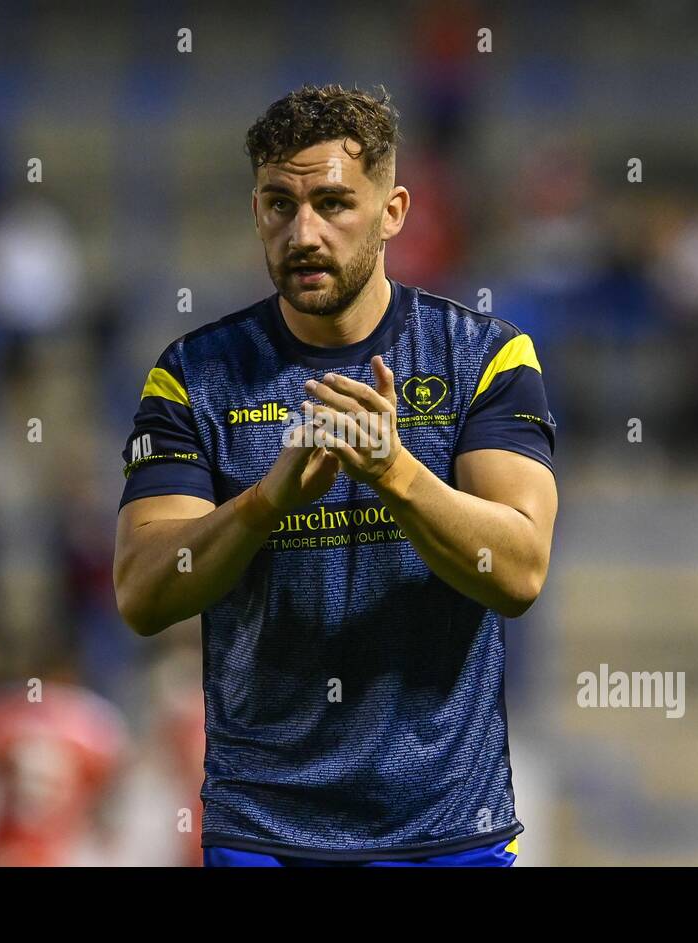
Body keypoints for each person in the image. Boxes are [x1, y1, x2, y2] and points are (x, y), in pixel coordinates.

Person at [113, 84, 558, 867]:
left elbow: (518, 571)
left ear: (393, 213)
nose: (304, 232)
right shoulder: (195, 376)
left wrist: (395, 471)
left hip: (446, 833)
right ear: (256, 212)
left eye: (332, 202)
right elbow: (142, 593)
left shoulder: (483, 358)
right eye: (279, 205)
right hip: (264, 835)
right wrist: (264, 504)